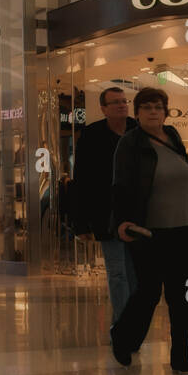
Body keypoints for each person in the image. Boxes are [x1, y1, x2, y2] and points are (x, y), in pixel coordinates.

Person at [109, 87, 188, 375]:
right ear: (137, 112)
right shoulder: (130, 143)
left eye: (158, 107)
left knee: (181, 296)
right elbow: (121, 187)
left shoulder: (174, 136)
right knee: (149, 292)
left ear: (165, 111)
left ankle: (180, 358)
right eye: (146, 107)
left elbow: (182, 175)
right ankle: (123, 337)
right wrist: (123, 222)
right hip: (148, 230)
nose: (153, 111)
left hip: (182, 229)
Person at [74, 87, 139, 327]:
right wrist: (80, 222)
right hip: (106, 213)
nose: (122, 106)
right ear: (103, 108)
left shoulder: (137, 130)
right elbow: (81, 180)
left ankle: (130, 322)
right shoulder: (92, 135)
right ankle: (121, 325)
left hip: (136, 214)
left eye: (124, 101)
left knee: (134, 273)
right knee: (117, 271)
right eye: (115, 103)